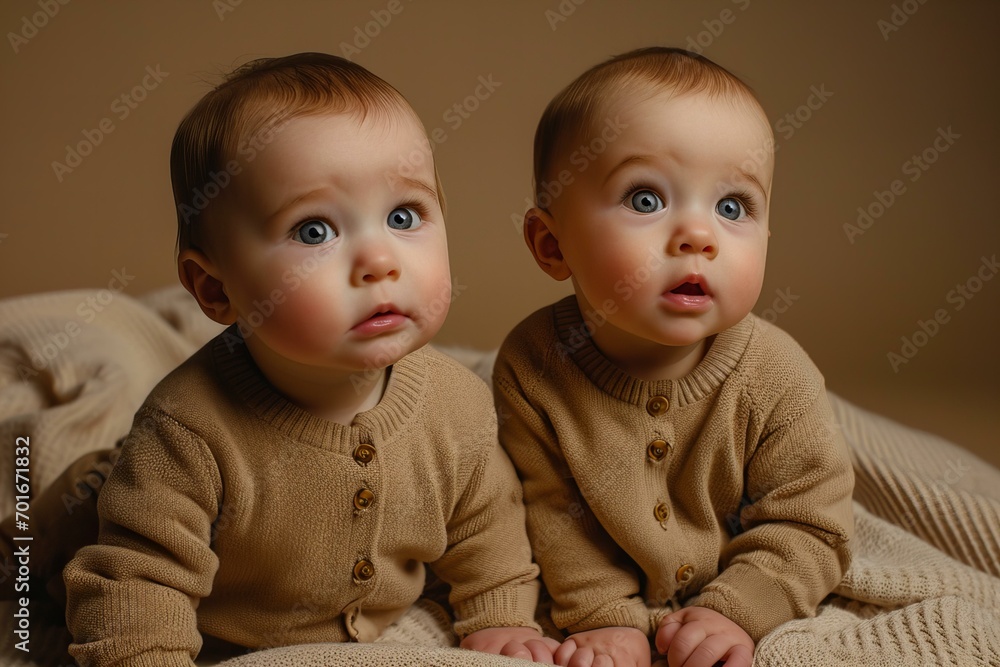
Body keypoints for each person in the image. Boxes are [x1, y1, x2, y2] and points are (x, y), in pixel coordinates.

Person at [60, 53, 557, 666]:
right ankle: (63, 505)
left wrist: (499, 617)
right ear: (215, 290)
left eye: (404, 216)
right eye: (314, 231)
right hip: (226, 624)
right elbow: (138, 586)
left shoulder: (456, 404)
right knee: (69, 532)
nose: (379, 260)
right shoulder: (188, 431)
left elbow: (487, 530)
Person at [494, 47, 855, 667]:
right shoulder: (534, 367)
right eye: (645, 199)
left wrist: (737, 607)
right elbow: (551, 512)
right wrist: (605, 617)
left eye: (733, 206)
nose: (698, 235)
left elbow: (812, 524)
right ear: (552, 245)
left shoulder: (776, 374)